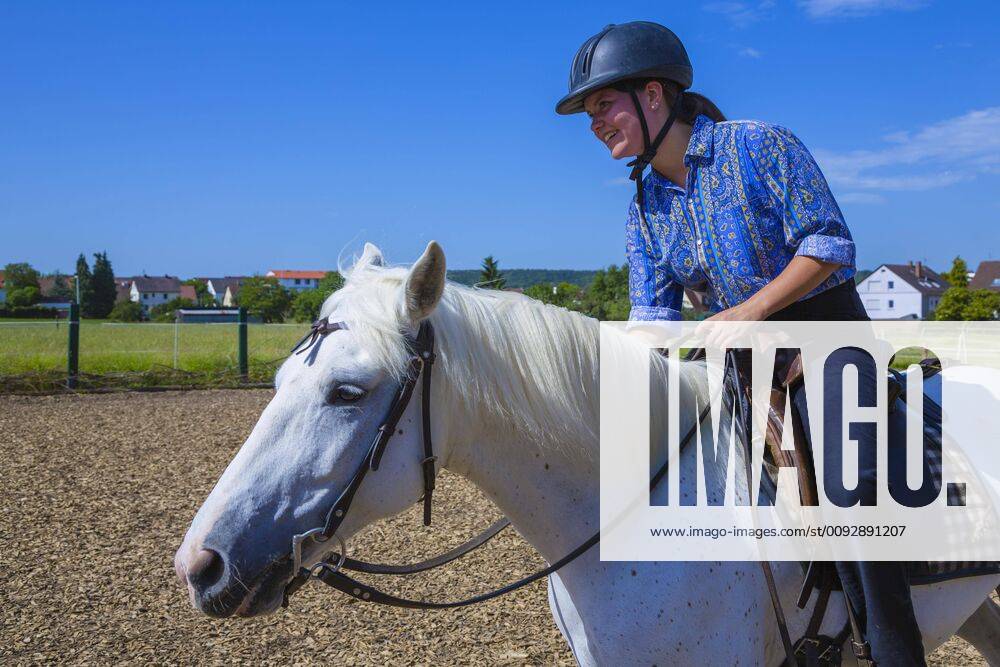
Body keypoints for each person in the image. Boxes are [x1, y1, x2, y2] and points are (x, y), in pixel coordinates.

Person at [555, 21, 924, 666]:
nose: (595, 124)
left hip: (827, 343)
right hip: (740, 368)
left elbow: (830, 245)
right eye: (589, 113)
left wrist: (749, 311)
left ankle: (892, 651)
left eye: (602, 105)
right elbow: (653, 315)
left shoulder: (759, 146)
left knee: (846, 490)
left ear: (652, 95)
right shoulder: (644, 205)